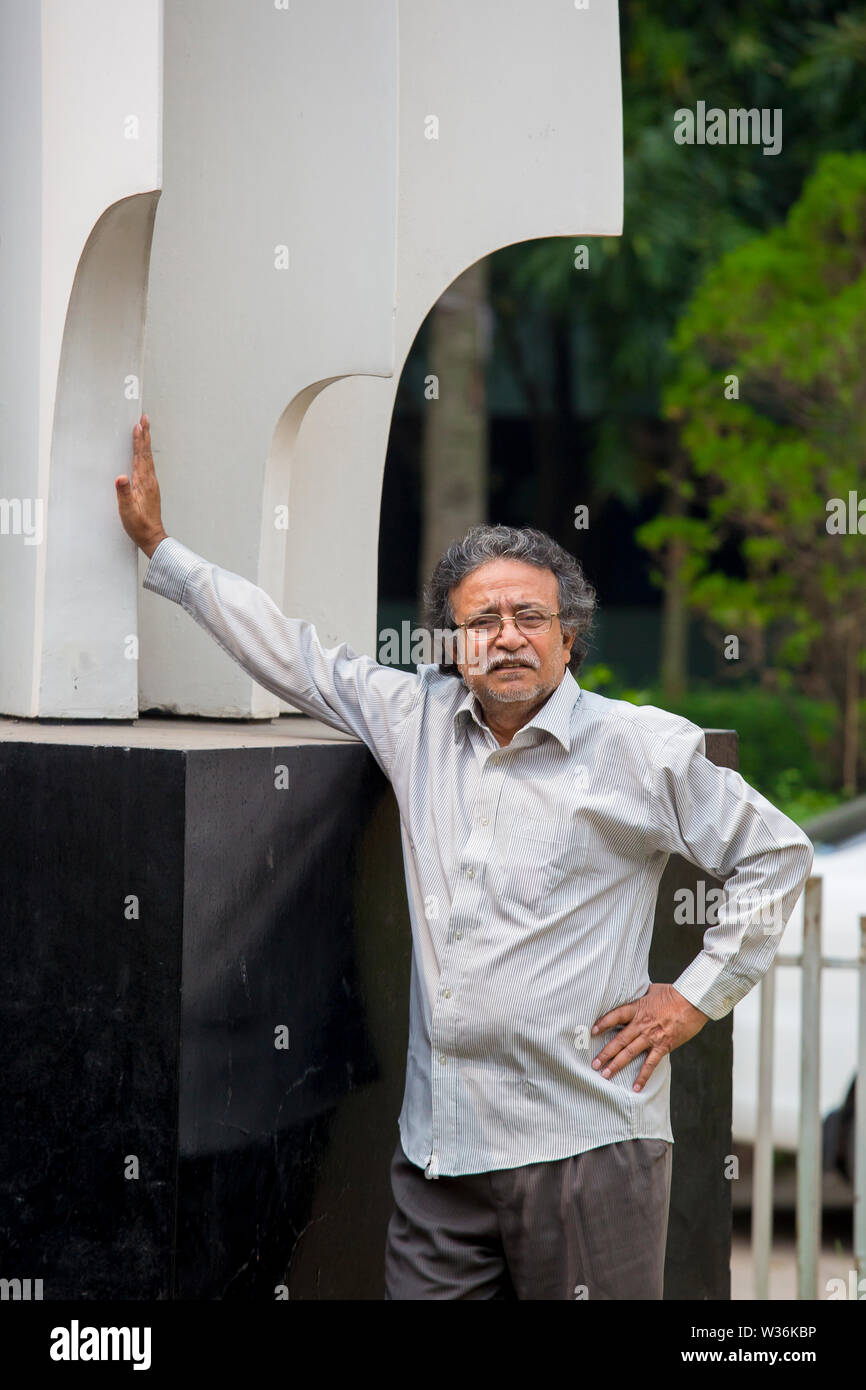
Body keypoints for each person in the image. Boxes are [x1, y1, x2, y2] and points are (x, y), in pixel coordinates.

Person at [116, 413, 814, 1300]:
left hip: (587, 1147)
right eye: (482, 620)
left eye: (531, 616)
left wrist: (694, 996)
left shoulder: (644, 750)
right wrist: (160, 548)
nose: (508, 635)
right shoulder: (414, 723)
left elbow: (778, 854)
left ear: (571, 637)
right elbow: (291, 656)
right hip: (440, 1154)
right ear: (452, 644)